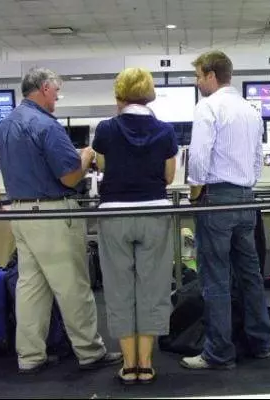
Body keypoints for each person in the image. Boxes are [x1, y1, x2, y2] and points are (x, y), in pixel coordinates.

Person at [0, 67, 121, 374]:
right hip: (51, 214)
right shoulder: (46, 125)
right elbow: (68, 177)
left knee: (31, 288)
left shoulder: (6, 124)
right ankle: (90, 351)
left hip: (21, 213)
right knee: (72, 285)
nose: (58, 97)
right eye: (56, 91)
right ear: (42, 89)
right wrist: (87, 156)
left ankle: (29, 355)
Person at [181, 50, 270, 370]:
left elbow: (199, 157)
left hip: (217, 199)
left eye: (197, 76)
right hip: (247, 199)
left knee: (216, 276)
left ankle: (219, 351)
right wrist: (246, 185)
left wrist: (195, 191)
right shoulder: (250, 109)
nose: (196, 82)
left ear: (210, 75)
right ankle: (261, 341)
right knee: (250, 275)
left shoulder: (208, 106)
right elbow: (258, 159)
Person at [92, 67, 177, 384]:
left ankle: (128, 365)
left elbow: (102, 167)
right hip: (155, 212)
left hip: (114, 214)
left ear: (119, 95)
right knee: (153, 288)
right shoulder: (166, 131)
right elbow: (169, 177)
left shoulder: (105, 129)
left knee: (118, 288)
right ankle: (146, 362)